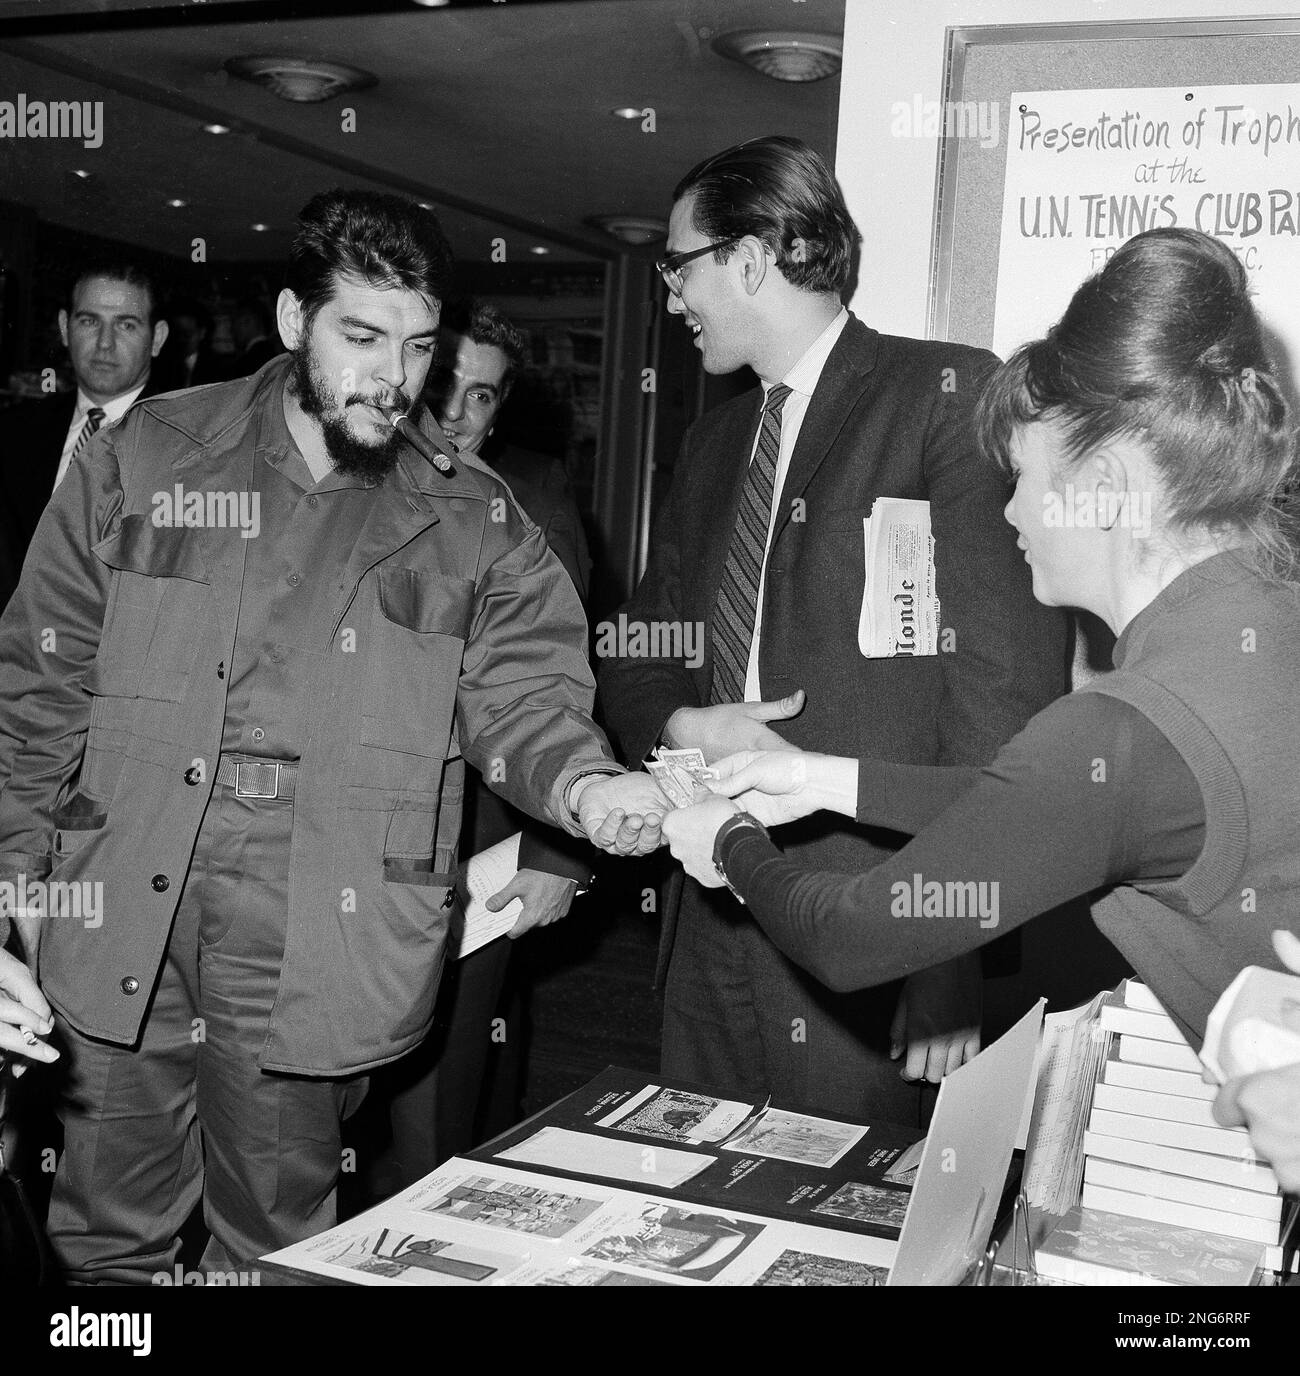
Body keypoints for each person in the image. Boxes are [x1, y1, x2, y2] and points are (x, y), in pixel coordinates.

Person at [0, 187, 665, 1283]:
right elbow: (35, 692)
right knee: (99, 1240)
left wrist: (586, 790)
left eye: (415, 345)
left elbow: (525, 698)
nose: (393, 378)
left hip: (317, 917)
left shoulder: (470, 516)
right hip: (121, 894)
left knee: (279, 1244)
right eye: (361, 337)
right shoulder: (146, 458)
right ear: (293, 321)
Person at [661, 229, 1300, 1096]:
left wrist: (730, 839)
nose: (1009, 516)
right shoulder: (1257, 628)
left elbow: (853, 938)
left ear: (1104, 489)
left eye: (1023, 479)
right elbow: (1053, 811)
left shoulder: (1129, 722)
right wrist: (827, 780)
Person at [597, 135, 1066, 1121]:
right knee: (703, 1202)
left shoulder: (942, 395)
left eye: (678, 267)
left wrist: (944, 947)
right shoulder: (716, 437)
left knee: (846, 1240)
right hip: (709, 894)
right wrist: (684, 727)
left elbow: (1001, 696)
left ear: (750, 258)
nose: (670, 297)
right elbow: (639, 642)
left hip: (873, 919)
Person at [374, 299, 596, 1182]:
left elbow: (564, 684)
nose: (460, 415)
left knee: (440, 1091)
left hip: (478, 847)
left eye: (485, 397)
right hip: (338, 841)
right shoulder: (352, 474)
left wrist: (554, 853)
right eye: (448, 387)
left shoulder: (529, 499)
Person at [0, 260, 169, 590]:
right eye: (90, 321)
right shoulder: (15, 431)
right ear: (65, 327)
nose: (105, 343)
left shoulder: (186, 445)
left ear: (157, 338)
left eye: (126, 325)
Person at [223, 297, 281, 378]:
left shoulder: (245, 363)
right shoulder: (278, 355)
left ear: (248, 320)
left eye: (234, 321)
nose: (232, 329)